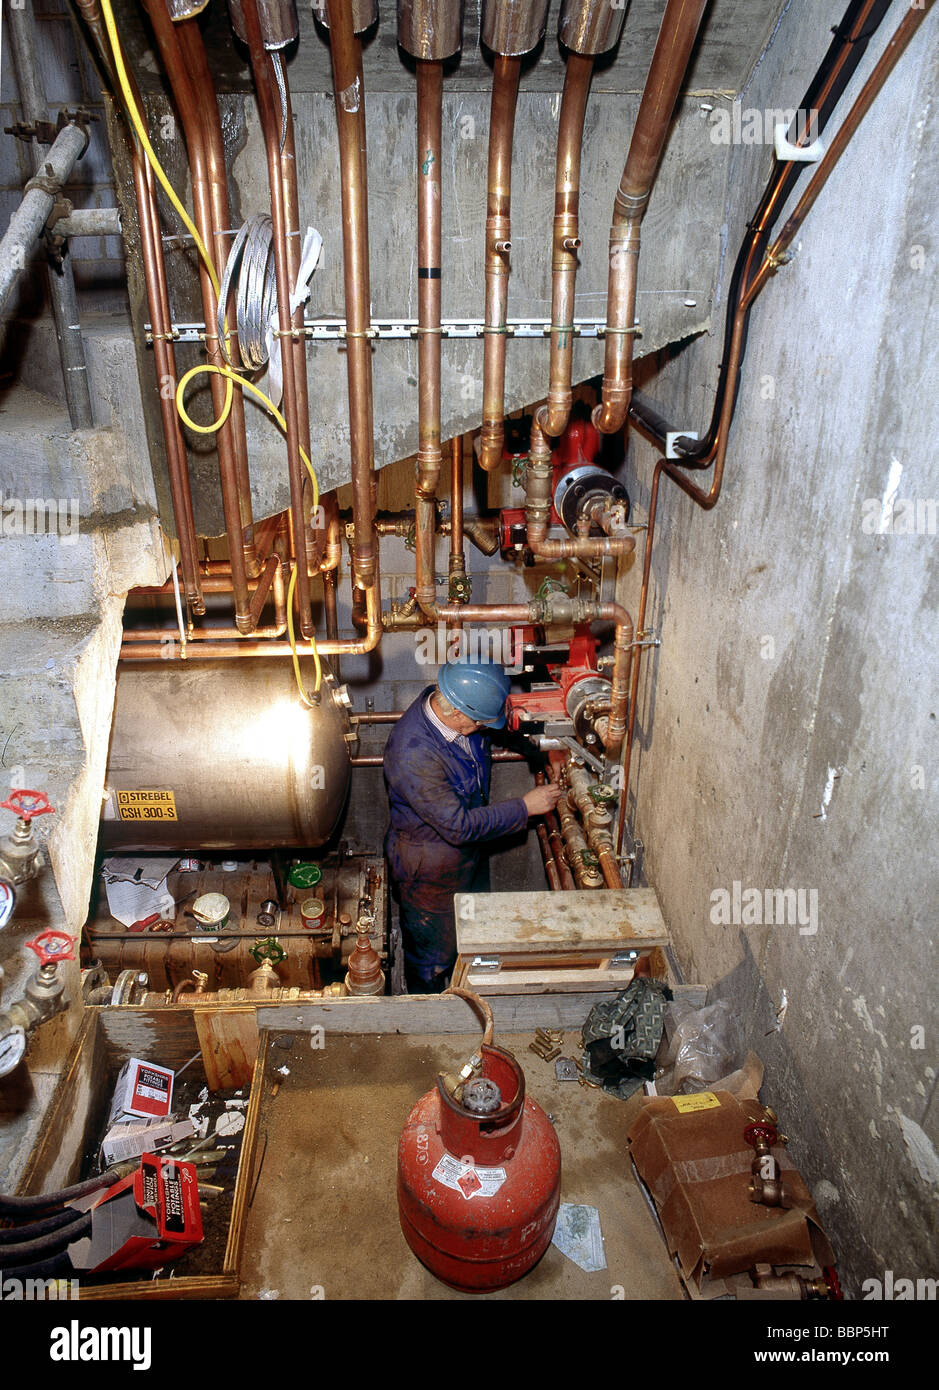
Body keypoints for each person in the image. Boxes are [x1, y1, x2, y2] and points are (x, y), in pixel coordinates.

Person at [383, 661, 561, 994]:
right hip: (429, 873)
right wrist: (526, 806)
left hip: (467, 857)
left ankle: (467, 983)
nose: (483, 729)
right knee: (433, 953)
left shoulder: (451, 704)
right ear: (459, 716)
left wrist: (544, 747)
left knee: (471, 929)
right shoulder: (413, 755)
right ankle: (430, 1009)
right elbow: (459, 827)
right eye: (479, 723)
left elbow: (499, 726)